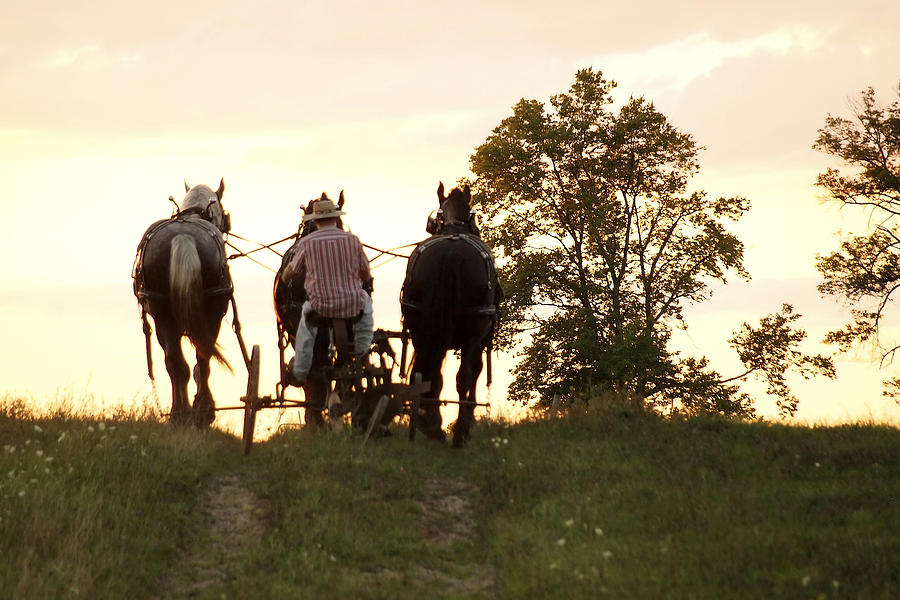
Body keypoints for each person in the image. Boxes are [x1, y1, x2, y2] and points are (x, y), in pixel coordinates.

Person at [280, 197, 374, 385]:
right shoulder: (353, 240)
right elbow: (365, 273)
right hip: (352, 306)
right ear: (336, 218)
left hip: (319, 307)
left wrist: (285, 277)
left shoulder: (306, 243)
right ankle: (362, 352)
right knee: (366, 303)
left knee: (305, 334)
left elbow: (293, 270)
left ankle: (299, 371)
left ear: (315, 220)